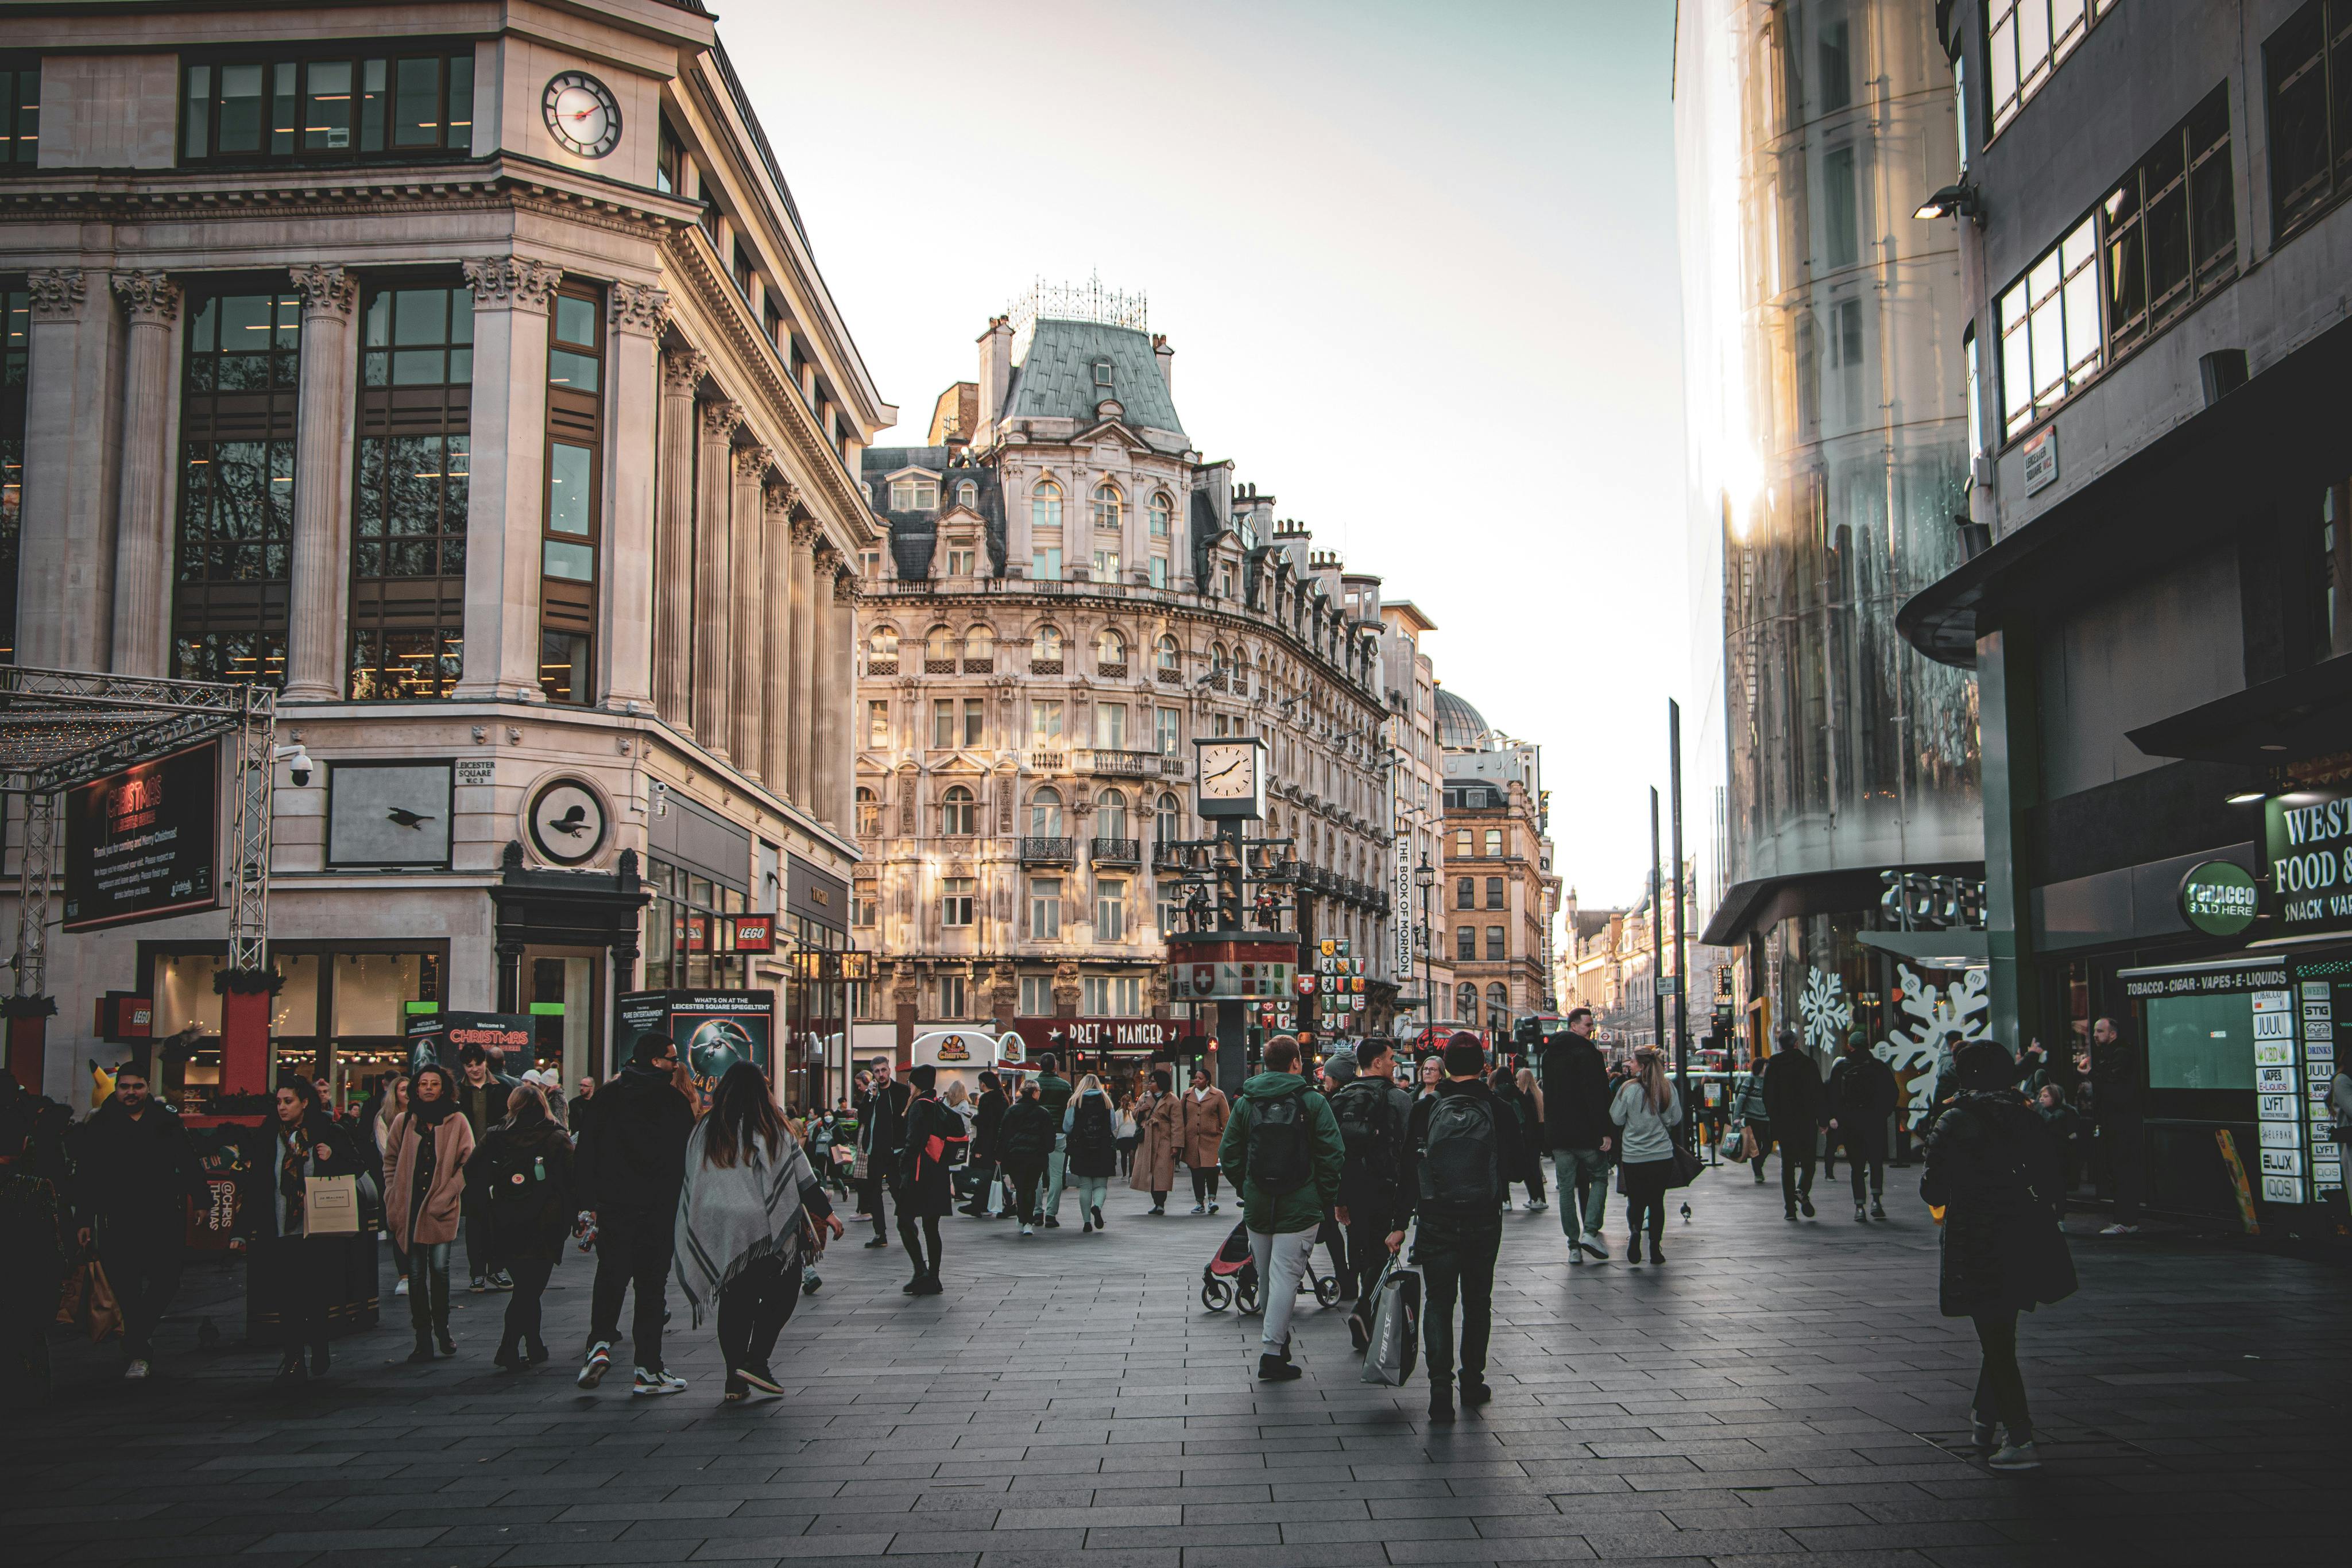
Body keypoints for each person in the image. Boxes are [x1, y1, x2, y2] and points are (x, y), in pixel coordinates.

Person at [1921, 1040, 2076, 1473]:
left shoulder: (1955, 1119)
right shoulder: (2029, 1116)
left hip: (1977, 1237)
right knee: (2001, 1328)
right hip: (2025, 1233)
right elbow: (2054, 1179)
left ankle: (2020, 1436)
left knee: (1997, 1337)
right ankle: (1984, 1415)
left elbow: (1932, 1189)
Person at [675, 1062, 843, 1400]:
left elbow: (693, 1177)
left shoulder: (705, 1128)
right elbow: (802, 1177)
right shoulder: (771, 1127)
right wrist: (829, 1215)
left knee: (735, 1300)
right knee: (785, 1290)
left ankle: (734, 1381)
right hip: (763, 1226)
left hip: (720, 1225)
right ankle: (757, 1361)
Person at [1390, 1032, 1522, 1422]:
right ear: (1483, 1066)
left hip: (1436, 1216)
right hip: (1483, 1217)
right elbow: (1517, 1168)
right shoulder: (1498, 1108)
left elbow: (1408, 1170)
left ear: (1445, 1066)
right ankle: (1473, 1381)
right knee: (1478, 1301)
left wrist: (1399, 1224)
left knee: (1439, 1301)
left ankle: (1439, 1389)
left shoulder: (1425, 1108)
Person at [68, 1059, 208, 1381]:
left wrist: (201, 1200)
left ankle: (136, 1335)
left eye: (137, 1086)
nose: (130, 1092)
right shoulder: (101, 1123)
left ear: (148, 1087)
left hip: (162, 1214)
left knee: (168, 1279)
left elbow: (188, 1160)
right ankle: (139, 1352)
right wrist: (84, 1220)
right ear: (116, 1089)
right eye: (124, 1087)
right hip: (118, 1218)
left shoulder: (165, 1120)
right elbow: (88, 1174)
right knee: (126, 1286)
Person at [573, 1031, 695, 1396]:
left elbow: (586, 1151)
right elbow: (685, 1158)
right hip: (657, 1209)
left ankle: (599, 1345)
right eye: (672, 1059)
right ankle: (648, 1370)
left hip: (613, 1206)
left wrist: (587, 1203)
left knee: (610, 1276)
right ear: (656, 1061)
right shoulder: (672, 1101)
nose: (676, 1065)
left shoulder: (607, 1096)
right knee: (650, 1289)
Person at [1218, 1035, 1345, 1383]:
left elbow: (1229, 1153)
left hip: (1259, 1204)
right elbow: (1333, 1153)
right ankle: (1272, 1353)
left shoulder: (1246, 1102)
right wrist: (1323, 1196)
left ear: (1265, 1063)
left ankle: (1278, 1339)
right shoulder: (1312, 1101)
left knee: (1266, 1277)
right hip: (1300, 1204)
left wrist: (1246, 1186)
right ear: (1295, 1063)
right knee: (1287, 1276)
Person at [234, 1076, 365, 1385]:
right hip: (280, 1228)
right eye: (278, 1102)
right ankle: (294, 1359)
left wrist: (333, 1157)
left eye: (288, 1101)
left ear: (304, 1102)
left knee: (315, 1294)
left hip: (317, 1229)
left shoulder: (328, 1131)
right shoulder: (269, 1136)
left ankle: (319, 1345)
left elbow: (358, 1166)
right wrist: (240, 1231)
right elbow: (256, 1184)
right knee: (287, 1297)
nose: (282, 1107)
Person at [465, 1081, 573, 1372]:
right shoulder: (556, 1137)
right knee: (529, 1289)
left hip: (505, 1219)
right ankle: (509, 1347)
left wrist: (490, 1196)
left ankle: (534, 1345)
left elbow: (472, 1172)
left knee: (526, 1286)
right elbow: (571, 1180)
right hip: (545, 1221)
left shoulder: (495, 1136)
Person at [385, 1062, 474, 1362]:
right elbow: (390, 1160)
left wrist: (448, 1194)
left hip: (440, 1208)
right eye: (423, 1084)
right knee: (415, 1274)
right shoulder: (404, 1121)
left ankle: (442, 1330)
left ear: (444, 1088)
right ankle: (422, 1337)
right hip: (409, 1207)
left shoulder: (457, 1120)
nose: (428, 1089)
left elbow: (468, 1163)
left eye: (435, 1084)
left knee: (439, 1269)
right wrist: (391, 1194)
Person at [1329, 1036, 1414, 1346]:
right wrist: (1405, 1212)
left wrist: (1339, 1199)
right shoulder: (1399, 1099)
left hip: (1352, 1187)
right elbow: (1408, 1153)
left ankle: (1365, 1308)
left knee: (1360, 1245)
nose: (1395, 1064)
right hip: (1385, 1187)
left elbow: (1334, 1152)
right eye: (1391, 1058)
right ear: (1377, 1062)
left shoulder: (1341, 1098)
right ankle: (1365, 1309)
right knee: (1382, 1249)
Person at [1537, 1010, 1615, 1261]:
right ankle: (1590, 1231)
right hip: (1586, 1133)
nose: (1592, 1029)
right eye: (1588, 1025)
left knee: (1566, 1190)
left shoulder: (1549, 1055)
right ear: (1574, 1026)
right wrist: (1605, 1131)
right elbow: (1597, 1095)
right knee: (1599, 1178)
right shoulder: (1588, 1054)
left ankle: (1573, 1247)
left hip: (1560, 1135)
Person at [893, 1064, 965, 1294]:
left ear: (917, 1084)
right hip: (938, 1174)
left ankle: (920, 1271)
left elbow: (913, 1142)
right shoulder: (938, 1105)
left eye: (911, 1082)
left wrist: (902, 1165)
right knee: (931, 1227)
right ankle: (934, 1277)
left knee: (904, 1221)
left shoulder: (918, 1107)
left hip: (918, 1175)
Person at [1608, 1046, 1682, 1266]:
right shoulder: (1667, 1087)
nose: (1629, 1065)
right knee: (1657, 1201)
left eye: (1631, 1061)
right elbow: (1675, 1118)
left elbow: (1616, 1118)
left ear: (1641, 1066)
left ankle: (1635, 1232)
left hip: (1634, 1155)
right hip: (1661, 1154)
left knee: (1636, 1200)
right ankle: (1655, 1248)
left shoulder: (1628, 1089)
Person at [453, 1043, 516, 1292]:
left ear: (485, 1063)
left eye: (477, 1064)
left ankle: (497, 1269)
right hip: (472, 1164)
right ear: (463, 1066)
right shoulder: (456, 1092)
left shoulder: (504, 1088)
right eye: (469, 1066)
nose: (474, 1069)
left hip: (499, 1162)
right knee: (476, 1221)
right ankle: (478, 1272)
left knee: (500, 1219)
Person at [1826, 1031, 1898, 1222]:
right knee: (1876, 1162)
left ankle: (1859, 1206)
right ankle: (1876, 1201)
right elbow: (1892, 1093)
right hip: (1874, 1122)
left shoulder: (1841, 1067)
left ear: (1850, 1046)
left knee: (1857, 1166)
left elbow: (1832, 1096)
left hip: (1851, 1122)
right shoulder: (1878, 1067)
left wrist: (1838, 1117)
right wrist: (1882, 1113)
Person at [1760, 1029, 1823, 1219]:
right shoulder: (1808, 1064)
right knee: (1808, 1164)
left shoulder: (1774, 1065)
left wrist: (1774, 1117)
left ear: (1780, 1046)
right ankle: (1802, 1189)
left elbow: (1767, 1095)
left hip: (1784, 1123)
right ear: (1796, 1044)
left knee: (1787, 1166)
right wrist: (1823, 1119)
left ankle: (1790, 1210)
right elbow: (1818, 1093)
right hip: (1806, 1121)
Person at [2090, 1017, 2143, 1235]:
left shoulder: (2120, 1055)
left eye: (2100, 1031)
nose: (2095, 1035)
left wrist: (2091, 1074)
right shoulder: (2112, 1055)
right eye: (2095, 1031)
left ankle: (2126, 1220)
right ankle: (2123, 1219)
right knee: (2118, 1171)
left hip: (2121, 1123)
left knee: (2122, 1171)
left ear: (2113, 1034)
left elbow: (2112, 1084)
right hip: (2115, 1122)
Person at [366, 1074, 414, 1298]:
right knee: (400, 1227)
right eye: (402, 1089)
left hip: (422, 1178)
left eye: (409, 1089)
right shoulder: (384, 1117)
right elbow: (386, 1150)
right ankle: (404, 1276)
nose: (407, 1094)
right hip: (396, 1178)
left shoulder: (422, 1114)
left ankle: (417, 1274)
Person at [856, 1057, 911, 1248]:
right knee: (874, 1192)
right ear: (873, 1074)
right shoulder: (872, 1094)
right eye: (877, 1071)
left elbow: (907, 1118)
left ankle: (907, 1228)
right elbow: (863, 1118)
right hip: (875, 1151)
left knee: (897, 1191)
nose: (881, 1074)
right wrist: (871, 1097)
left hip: (895, 1151)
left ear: (889, 1070)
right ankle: (880, 1234)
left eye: (884, 1070)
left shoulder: (901, 1091)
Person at [997, 1080, 1057, 1236]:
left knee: (1020, 1187)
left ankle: (1023, 1218)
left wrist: (1000, 1155)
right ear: (1035, 1093)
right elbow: (1050, 1137)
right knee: (1030, 1188)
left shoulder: (1012, 1111)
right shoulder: (1043, 1113)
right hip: (1036, 1156)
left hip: (1015, 1156)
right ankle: (1027, 1222)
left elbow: (1003, 1135)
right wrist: (1046, 1149)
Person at [1063, 1074, 1118, 1233]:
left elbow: (1067, 1126)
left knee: (1085, 1186)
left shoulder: (1075, 1101)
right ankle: (1097, 1207)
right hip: (1103, 1148)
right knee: (1100, 1185)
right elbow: (1113, 1125)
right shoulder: (1106, 1101)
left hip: (1082, 1148)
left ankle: (1087, 1222)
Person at [1032, 1054, 1077, 1227]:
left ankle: (1037, 1212)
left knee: (1036, 1175)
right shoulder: (1065, 1086)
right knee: (1057, 1175)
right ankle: (1051, 1213)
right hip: (1058, 1133)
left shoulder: (1034, 1085)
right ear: (1055, 1067)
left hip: (1037, 1134)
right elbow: (1070, 1110)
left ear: (1041, 1066)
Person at [1179, 1067, 1230, 1214]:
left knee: (1212, 1170)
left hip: (1212, 1139)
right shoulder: (1187, 1095)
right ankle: (1199, 1202)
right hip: (1192, 1140)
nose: (1197, 1080)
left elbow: (1226, 1119)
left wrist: (1227, 1138)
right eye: (1196, 1077)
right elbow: (1180, 1117)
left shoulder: (1218, 1095)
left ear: (1207, 1081)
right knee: (1196, 1171)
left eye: (1200, 1078)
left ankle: (1212, 1200)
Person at [1129, 1068, 1179, 1214]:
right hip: (1148, 1139)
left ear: (1161, 1083)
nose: (1149, 1084)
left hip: (1164, 1139)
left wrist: (1176, 1145)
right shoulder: (1144, 1097)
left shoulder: (1172, 1100)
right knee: (1149, 1172)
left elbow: (1177, 1124)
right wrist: (1140, 1110)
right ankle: (1156, 1202)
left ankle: (1161, 1202)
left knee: (1162, 1173)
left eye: (1153, 1081)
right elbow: (1135, 1115)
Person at [2032, 1085, 2081, 1218]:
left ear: (2055, 1098)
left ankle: (2059, 1216)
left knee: (2058, 1187)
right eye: (2041, 1096)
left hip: (2059, 1157)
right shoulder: (2039, 1113)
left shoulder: (2062, 1113)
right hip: (2043, 1156)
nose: (2041, 1099)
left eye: (2046, 1096)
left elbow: (2052, 1122)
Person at [1502, 1067, 1548, 1211]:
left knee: (1530, 1169)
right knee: (1534, 1168)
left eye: (1518, 1079)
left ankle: (1537, 1198)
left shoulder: (1525, 1097)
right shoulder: (1538, 1094)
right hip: (1539, 1136)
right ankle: (1539, 1198)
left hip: (1529, 1137)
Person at [964, 1071, 1008, 1217]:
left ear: (983, 1083)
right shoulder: (1002, 1098)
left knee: (984, 1172)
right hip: (997, 1140)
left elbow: (984, 1122)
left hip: (986, 1142)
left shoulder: (986, 1099)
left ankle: (981, 1203)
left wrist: (974, 1118)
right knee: (993, 1173)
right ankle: (981, 1203)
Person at [1114, 1093, 1140, 1176]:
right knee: (1125, 1156)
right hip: (1124, 1137)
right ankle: (1125, 1175)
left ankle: (1130, 1175)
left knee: (1130, 1155)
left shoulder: (1133, 1113)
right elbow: (1116, 1127)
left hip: (1131, 1137)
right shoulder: (1118, 1113)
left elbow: (1138, 1122)